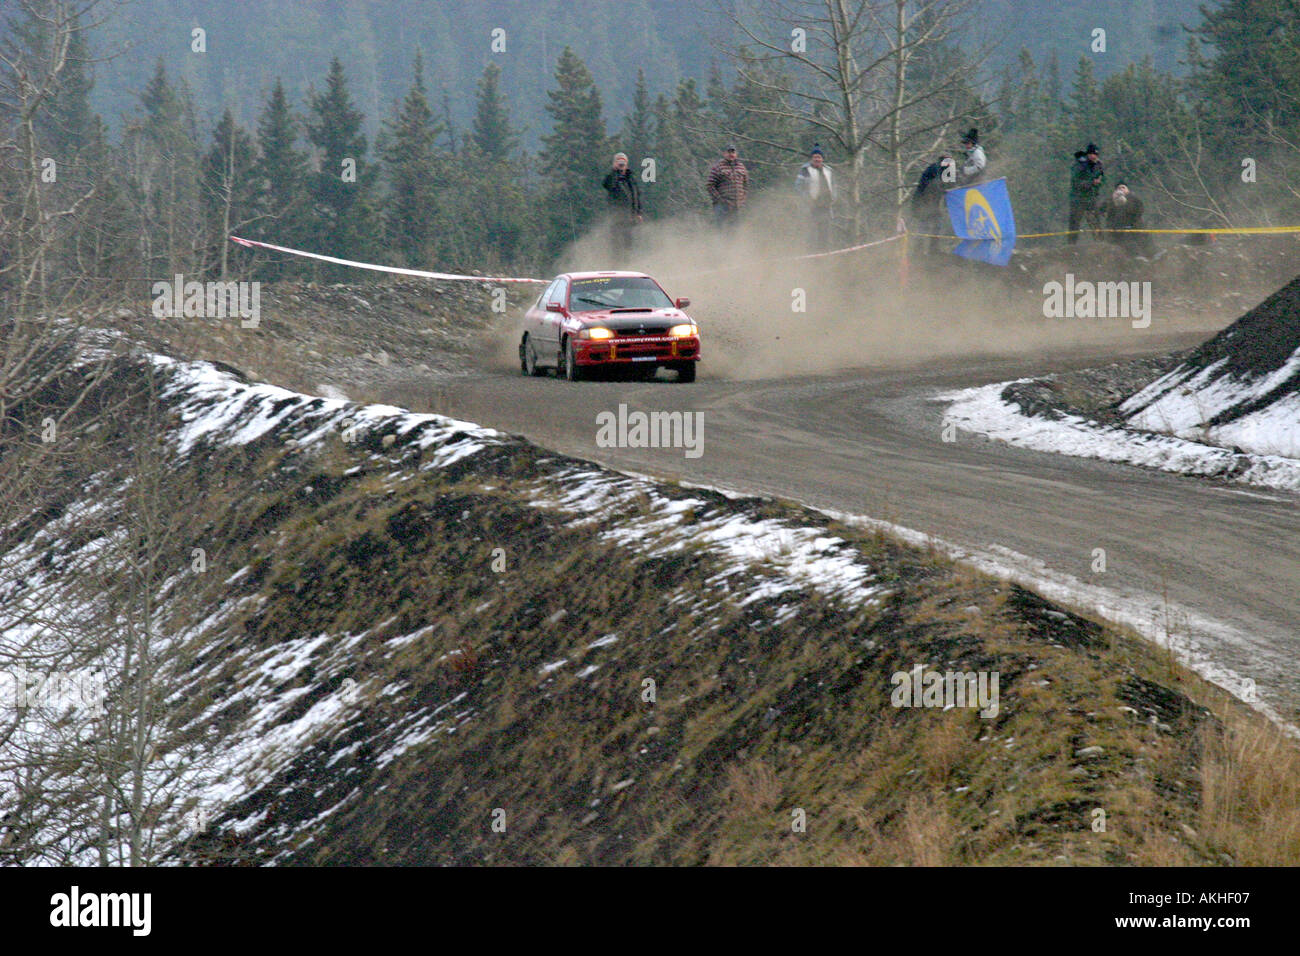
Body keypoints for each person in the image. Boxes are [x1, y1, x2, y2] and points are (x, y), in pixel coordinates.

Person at [602, 152, 642, 260]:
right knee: (616, 246)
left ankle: (627, 265)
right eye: (619, 161)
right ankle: (616, 266)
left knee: (628, 245)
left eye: (623, 162)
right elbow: (607, 185)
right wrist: (615, 171)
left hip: (630, 218)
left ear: (627, 164)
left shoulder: (631, 179)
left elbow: (636, 196)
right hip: (616, 218)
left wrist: (638, 212)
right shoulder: (611, 178)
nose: (621, 164)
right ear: (614, 163)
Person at [794, 144, 835, 251]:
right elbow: (798, 186)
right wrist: (806, 198)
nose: (817, 159)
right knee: (811, 232)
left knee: (825, 232)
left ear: (822, 159)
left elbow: (833, 185)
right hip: (811, 206)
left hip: (826, 206)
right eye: (815, 157)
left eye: (819, 157)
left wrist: (834, 197)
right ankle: (810, 252)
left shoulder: (828, 170)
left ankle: (824, 252)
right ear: (811, 159)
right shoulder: (805, 170)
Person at [910, 154, 953, 254]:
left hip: (932, 203)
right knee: (924, 226)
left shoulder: (941, 170)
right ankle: (919, 250)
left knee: (936, 224)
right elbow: (926, 188)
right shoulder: (934, 170)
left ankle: (933, 249)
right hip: (924, 203)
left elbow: (946, 188)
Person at [1068, 143, 1105, 244]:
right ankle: (1071, 245)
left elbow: (1102, 178)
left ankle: (1100, 244)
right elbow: (1076, 182)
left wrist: (1099, 183)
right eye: (1092, 154)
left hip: (1091, 198)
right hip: (1078, 199)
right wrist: (1090, 183)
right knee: (1074, 224)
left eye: (1096, 154)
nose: (1094, 156)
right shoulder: (1079, 165)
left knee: (1095, 222)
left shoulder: (1099, 165)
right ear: (1088, 154)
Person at [1104, 182, 1155, 257]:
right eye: (1119, 188)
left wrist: (1126, 204)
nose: (1121, 190)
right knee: (1128, 243)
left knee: (1145, 239)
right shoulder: (1111, 201)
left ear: (1128, 189)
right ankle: (1136, 257)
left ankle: (1152, 255)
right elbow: (1105, 212)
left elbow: (1139, 211)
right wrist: (1113, 201)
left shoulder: (1134, 199)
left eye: (1123, 187)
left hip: (1135, 227)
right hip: (1119, 230)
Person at [706, 144, 748, 228]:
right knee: (722, 231)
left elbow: (745, 185)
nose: (731, 154)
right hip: (722, 206)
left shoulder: (741, 167)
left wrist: (743, 199)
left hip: (737, 206)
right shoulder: (717, 167)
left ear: (736, 154)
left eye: (733, 152)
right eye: (729, 152)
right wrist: (720, 200)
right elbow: (710, 185)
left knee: (735, 231)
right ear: (724, 154)